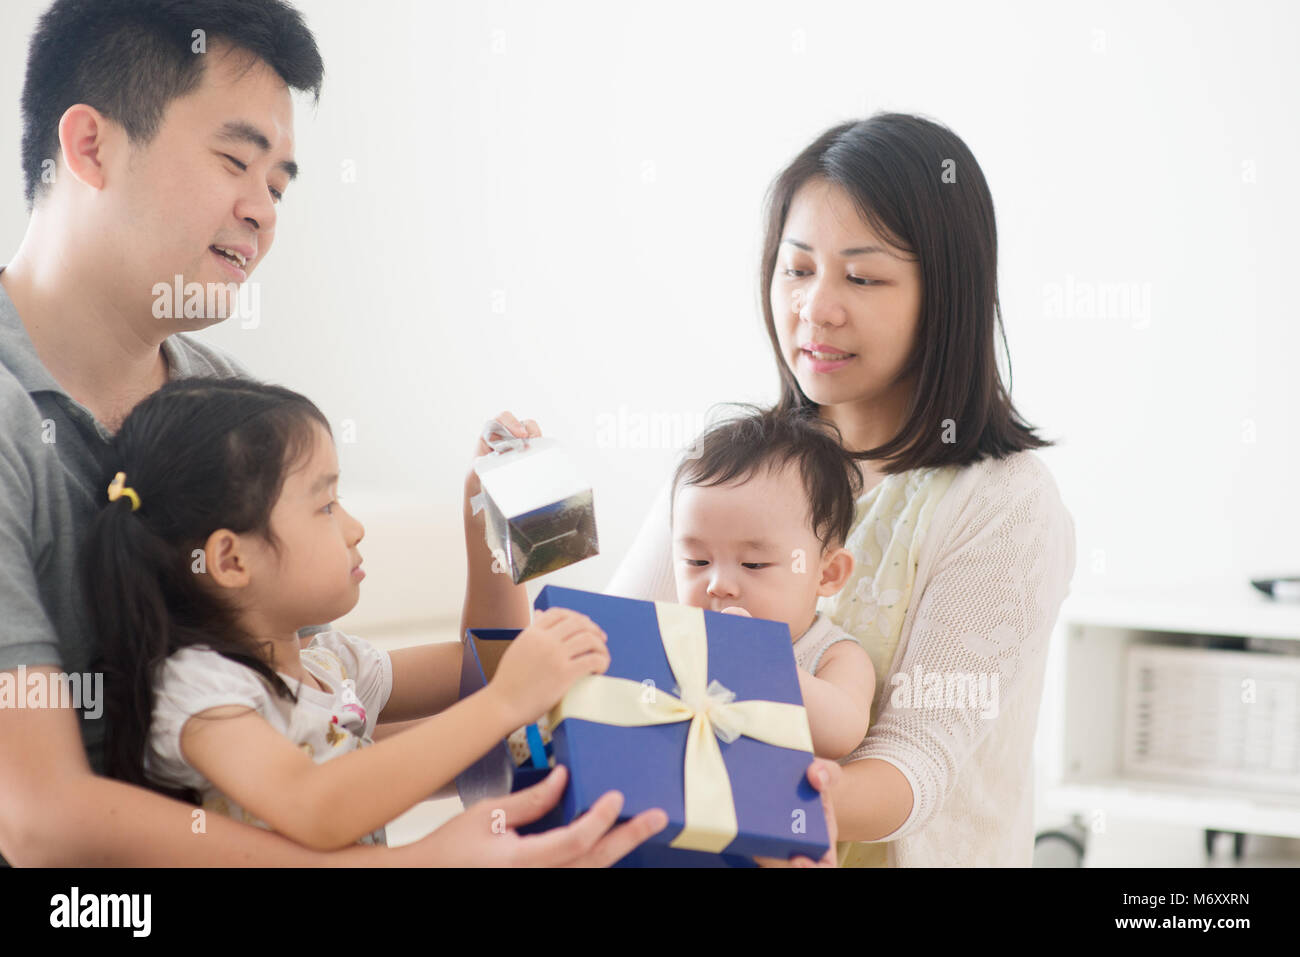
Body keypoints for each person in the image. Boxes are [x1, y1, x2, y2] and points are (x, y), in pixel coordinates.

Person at [0, 0, 668, 866]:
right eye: (236, 161)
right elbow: (41, 819)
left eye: (277, 184)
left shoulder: (229, 408)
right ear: (90, 145)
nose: (263, 211)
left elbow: (324, 729)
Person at [609, 113, 1077, 867]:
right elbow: (614, 655)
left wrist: (763, 808)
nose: (816, 307)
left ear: (946, 293)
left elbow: (911, 765)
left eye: (862, 277)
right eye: (797, 269)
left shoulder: (1003, 504)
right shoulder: (730, 471)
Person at [82, 377, 614, 850]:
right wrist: (503, 702)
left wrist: (483, 517)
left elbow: (483, 666)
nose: (354, 528)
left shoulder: (333, 667)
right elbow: (315, 805)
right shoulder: (201, 690)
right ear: (230, 559)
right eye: (327, 505)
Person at [669, 404, 875, 759]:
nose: (718, 584)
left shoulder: (832, 655)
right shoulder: (678, 635)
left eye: (753, 564)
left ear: (827, 574)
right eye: (697, 561)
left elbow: (842, 732)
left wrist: (762, 662)